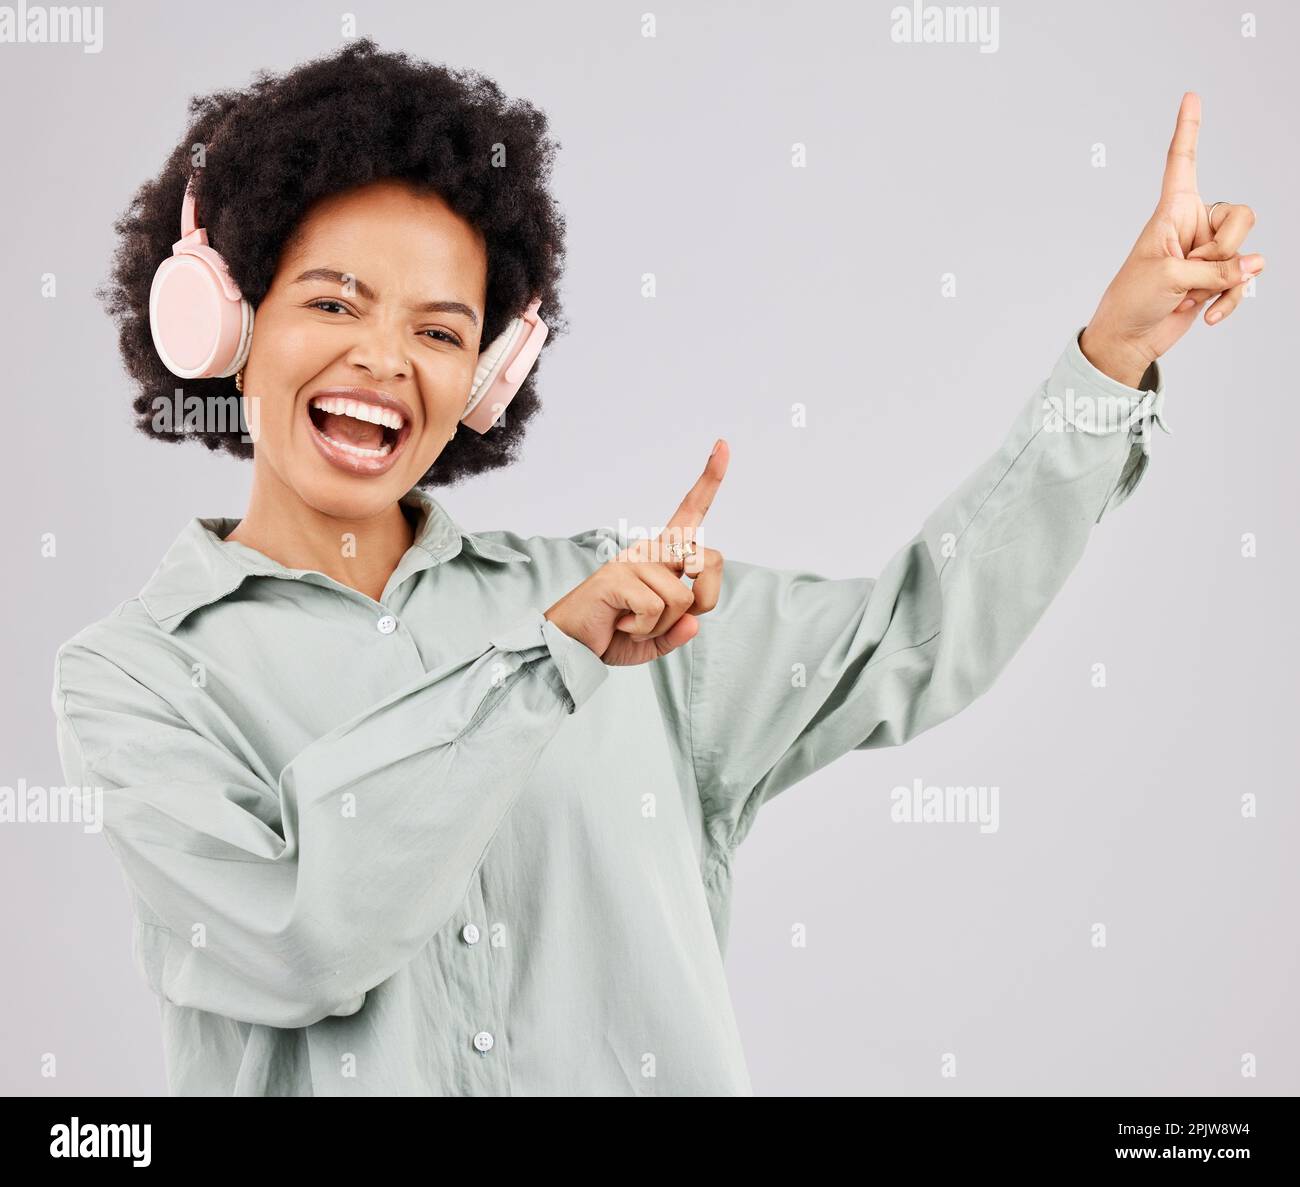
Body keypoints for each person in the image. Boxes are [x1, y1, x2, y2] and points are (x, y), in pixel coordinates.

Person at [52, 39, 1261, 1095]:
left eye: (440, 331)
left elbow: (915, 633)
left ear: (485, 378)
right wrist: (549, 663)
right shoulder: (138, 679)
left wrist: (1111, 360)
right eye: (332, 303)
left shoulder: (628, 609)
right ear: (223, 319)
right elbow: (297, 938)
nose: (385, 360)